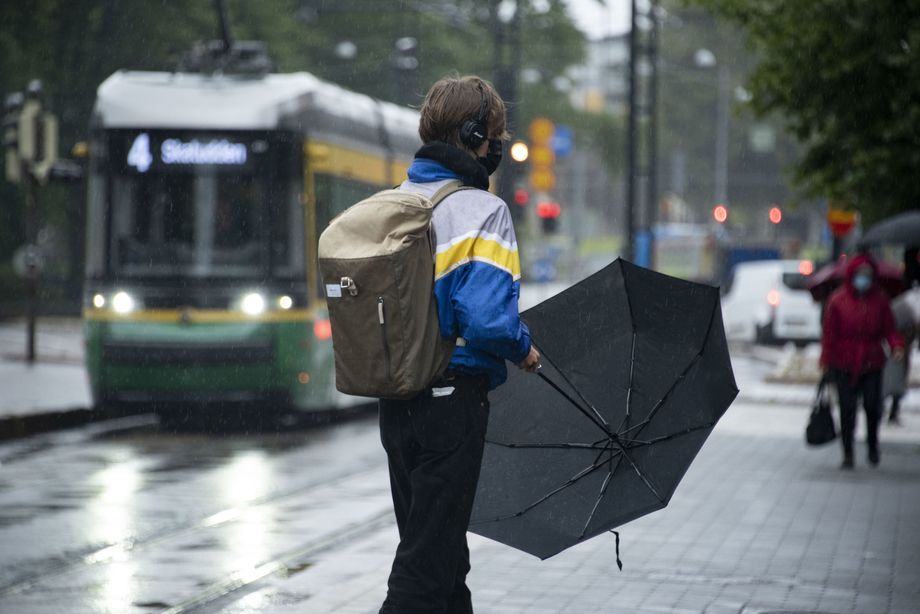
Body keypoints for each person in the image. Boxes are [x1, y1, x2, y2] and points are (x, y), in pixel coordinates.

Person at [377, 75, 541, 614]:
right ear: (474, 136)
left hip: (396, 403)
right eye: (494, 134)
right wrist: (524, 348)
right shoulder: (480, 211)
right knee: (424, 570)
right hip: (452, 404)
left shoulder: (396, 202)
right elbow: (488, 321)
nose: (498, 146)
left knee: (445, 563)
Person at [820, 253, 904, 469]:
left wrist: (896, 346)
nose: (863, 280)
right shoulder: (838, 300)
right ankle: (848, 452)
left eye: (867, 276)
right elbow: (829, 334)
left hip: (872, 361)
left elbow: (889, 329)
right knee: (847, 408)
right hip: (844, 362)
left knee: (872, 405)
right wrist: (826, 360)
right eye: (860, 275)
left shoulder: (880, 301)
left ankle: (872, 444)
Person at [887, 247, 920, 424]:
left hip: (903, 336)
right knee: (897, 370)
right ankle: (892, 406)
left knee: (898, 370)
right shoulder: (905, 284)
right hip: (900, 335)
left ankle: (893, 406)